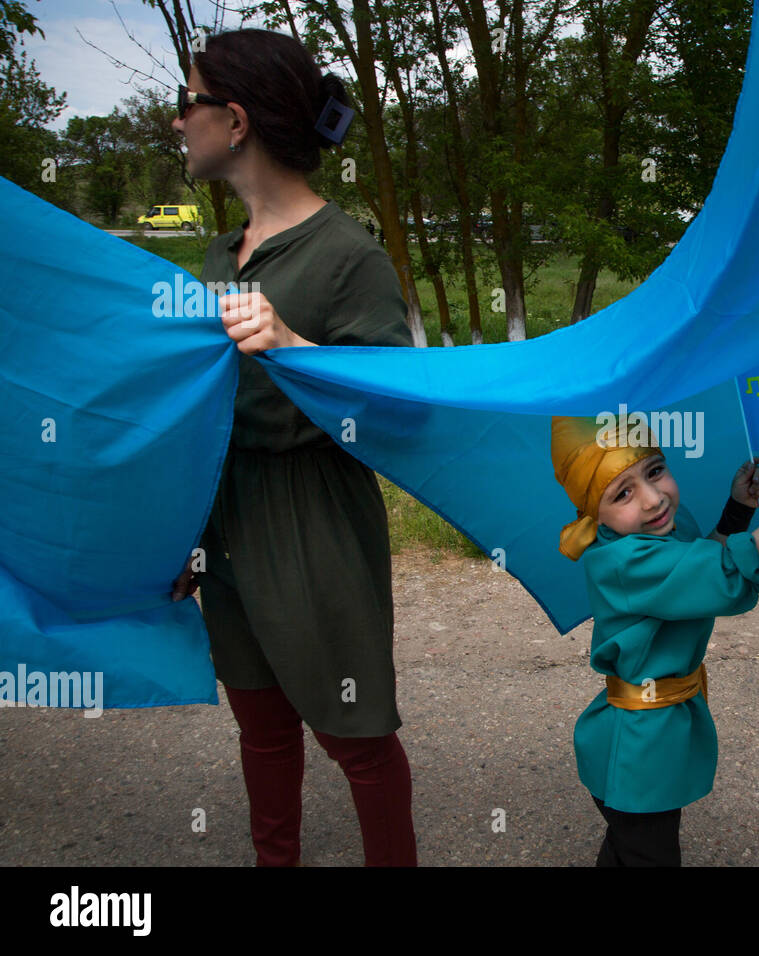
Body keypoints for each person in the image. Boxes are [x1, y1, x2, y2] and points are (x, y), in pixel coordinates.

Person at [167, 29, 418, 866]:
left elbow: (399, 416)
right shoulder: (216, 257)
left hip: (313, 526)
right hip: (225, 525)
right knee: (263, 732)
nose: (177, 122)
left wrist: (296, 346)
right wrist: (177, 537)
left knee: (356, 736)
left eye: (188, 101)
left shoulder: (349, 256)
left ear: (233, 120)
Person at [550, 416, 759, 865]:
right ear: (593, 513)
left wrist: (738, 509)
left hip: (651, 735)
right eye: (622, 493)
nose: (652, 498)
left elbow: (699, 562)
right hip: (639, 749)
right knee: (649, 854)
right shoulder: (624, 559)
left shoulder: (655, 527)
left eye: (655, 470)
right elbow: (722, 576)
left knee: (631, 849)